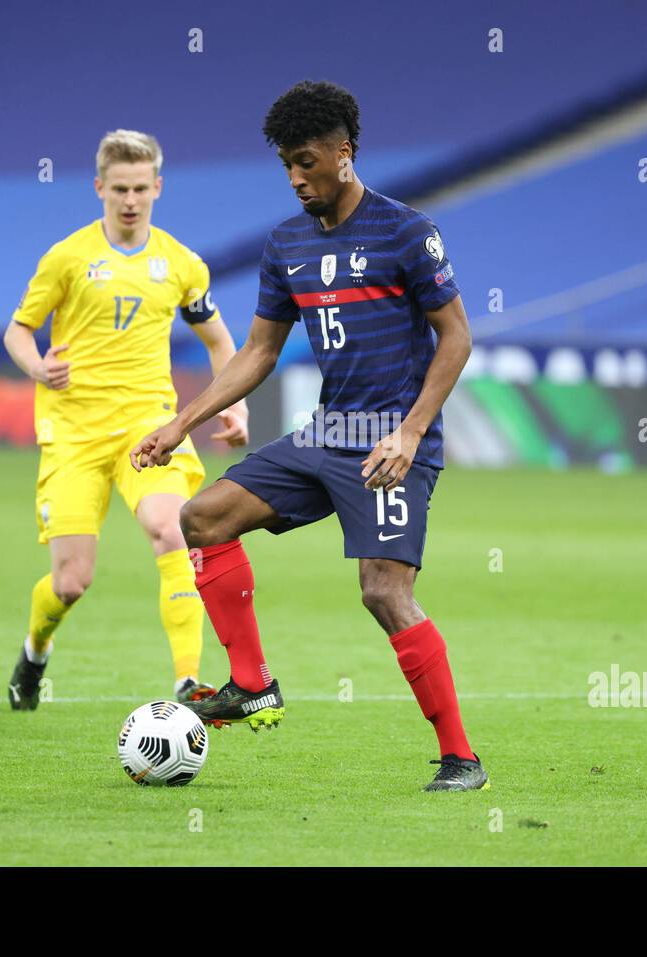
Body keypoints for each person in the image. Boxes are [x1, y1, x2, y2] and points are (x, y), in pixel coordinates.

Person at [132, 82, 486, 792]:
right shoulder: (286, 243)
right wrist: (181, 422)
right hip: (328, 434)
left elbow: (457, 337)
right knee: (199, 517)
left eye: (306, 161)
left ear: (343, 153)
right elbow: (259, 352)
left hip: (390, 441)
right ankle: (251, 682)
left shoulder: (406, 231)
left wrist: (413, 434)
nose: (295, 178)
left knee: (383, 591)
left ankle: (461, 758)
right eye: (286, 166)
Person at [3, 130, 249, 710]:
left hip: (149, 425)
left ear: (158, 187)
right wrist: (38, 366)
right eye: (120, 189)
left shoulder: (182, 264)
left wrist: (233, 402)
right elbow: (19, 329)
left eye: (141, 188)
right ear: (99, 188)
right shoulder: (67, 258)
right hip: (74, 432)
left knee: (171, 527)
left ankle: (188, 682)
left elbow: (219, 340)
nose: (131, 200)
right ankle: (34, 653)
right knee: (70, 583)